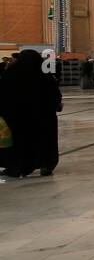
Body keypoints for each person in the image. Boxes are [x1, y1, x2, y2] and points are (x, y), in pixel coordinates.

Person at [0, 48, 63, 177]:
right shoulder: (45, 74)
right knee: (46, 140)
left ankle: (20, 166)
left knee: (22, 142)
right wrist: (55, 105)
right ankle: (47, 164)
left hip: (20, 117)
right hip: (44, 116)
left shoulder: (12, 73)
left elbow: (3, 94)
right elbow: (55, 93)